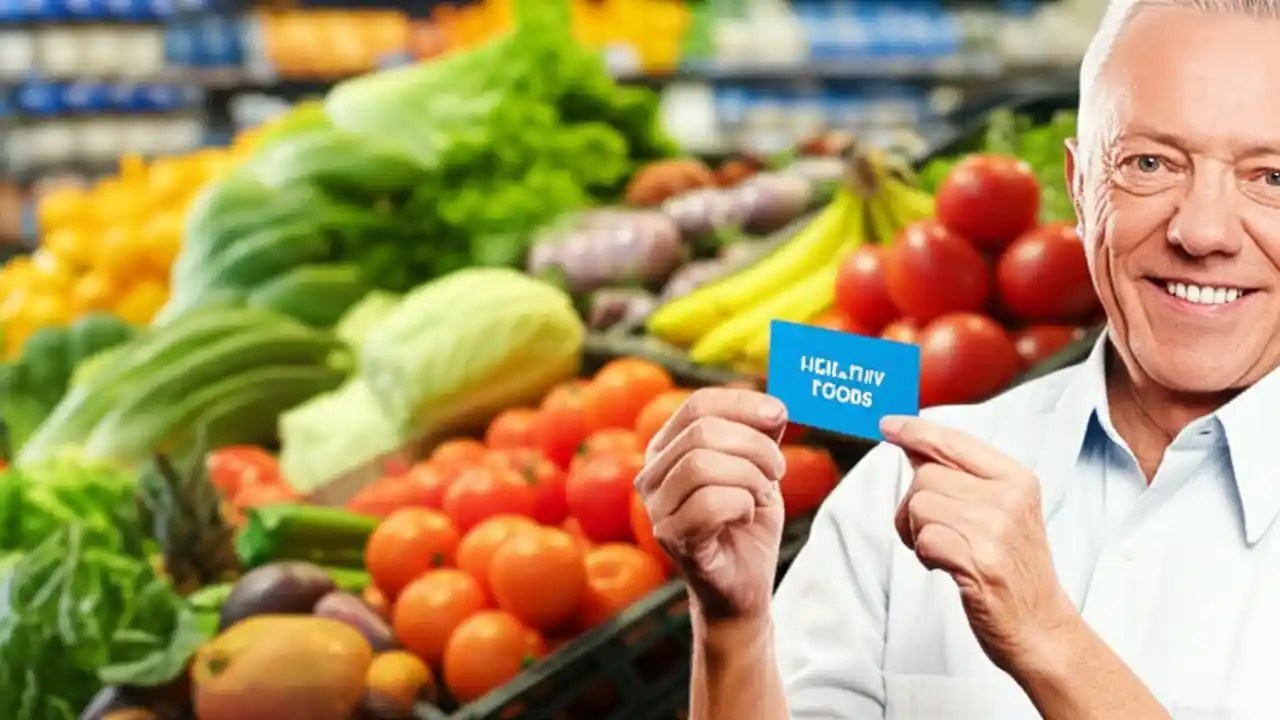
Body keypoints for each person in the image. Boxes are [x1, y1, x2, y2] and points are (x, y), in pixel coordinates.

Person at [634, 1, 1280, 717]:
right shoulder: (898, 490)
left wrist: (1047, 635)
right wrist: (732, 630)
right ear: (1078, 187)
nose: (1202, 231)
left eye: (1271, 178)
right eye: (1149, 163)